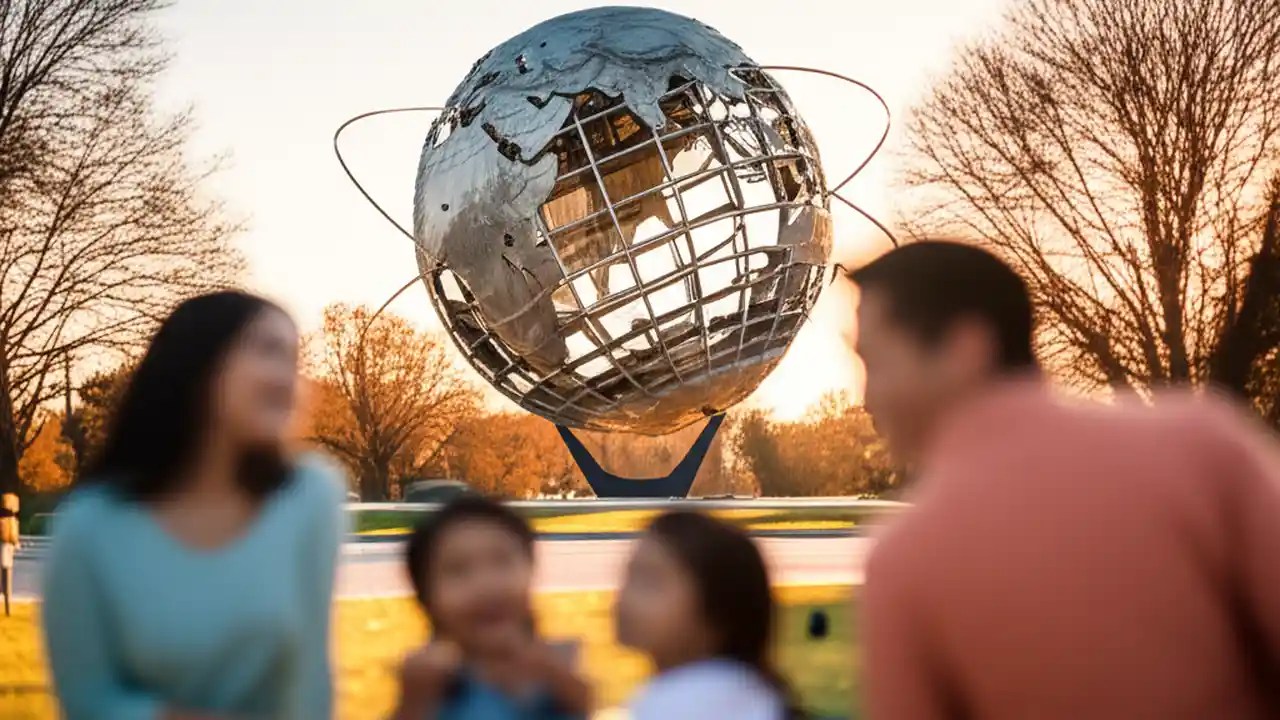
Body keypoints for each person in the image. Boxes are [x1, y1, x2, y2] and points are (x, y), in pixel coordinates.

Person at [849, 240, 1280, 719]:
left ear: (965, 348)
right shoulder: (1204, 445)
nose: (867, 397)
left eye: (876, 363)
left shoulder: (905, 561)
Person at [42, 291, 347, 720]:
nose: (287, 380)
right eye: (267, 351)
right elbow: (87, 700)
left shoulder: (311, 497)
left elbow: (313, 681)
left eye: (292, 361)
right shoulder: (88, 526)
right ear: (198, 362)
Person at [394, 495, 591, 720]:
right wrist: (412, 706)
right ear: (425, 595)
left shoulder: (560, 674)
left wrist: (571, 689)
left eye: (502, 561)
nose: (486, 585)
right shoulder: (425, 686)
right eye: (458, 570)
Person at [617, 511, 797, 720]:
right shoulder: (743, 690)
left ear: (717, 604)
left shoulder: (689, 702)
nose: (626, 597)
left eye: (650, 582)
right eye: (629, 576)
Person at [1, 492, 18, 617]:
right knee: (6, 581)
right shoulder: (9, 523)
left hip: (6, 552)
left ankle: (8, 608)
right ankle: (7, 608)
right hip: (5, 552)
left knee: (6, 581)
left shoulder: (11, 523)